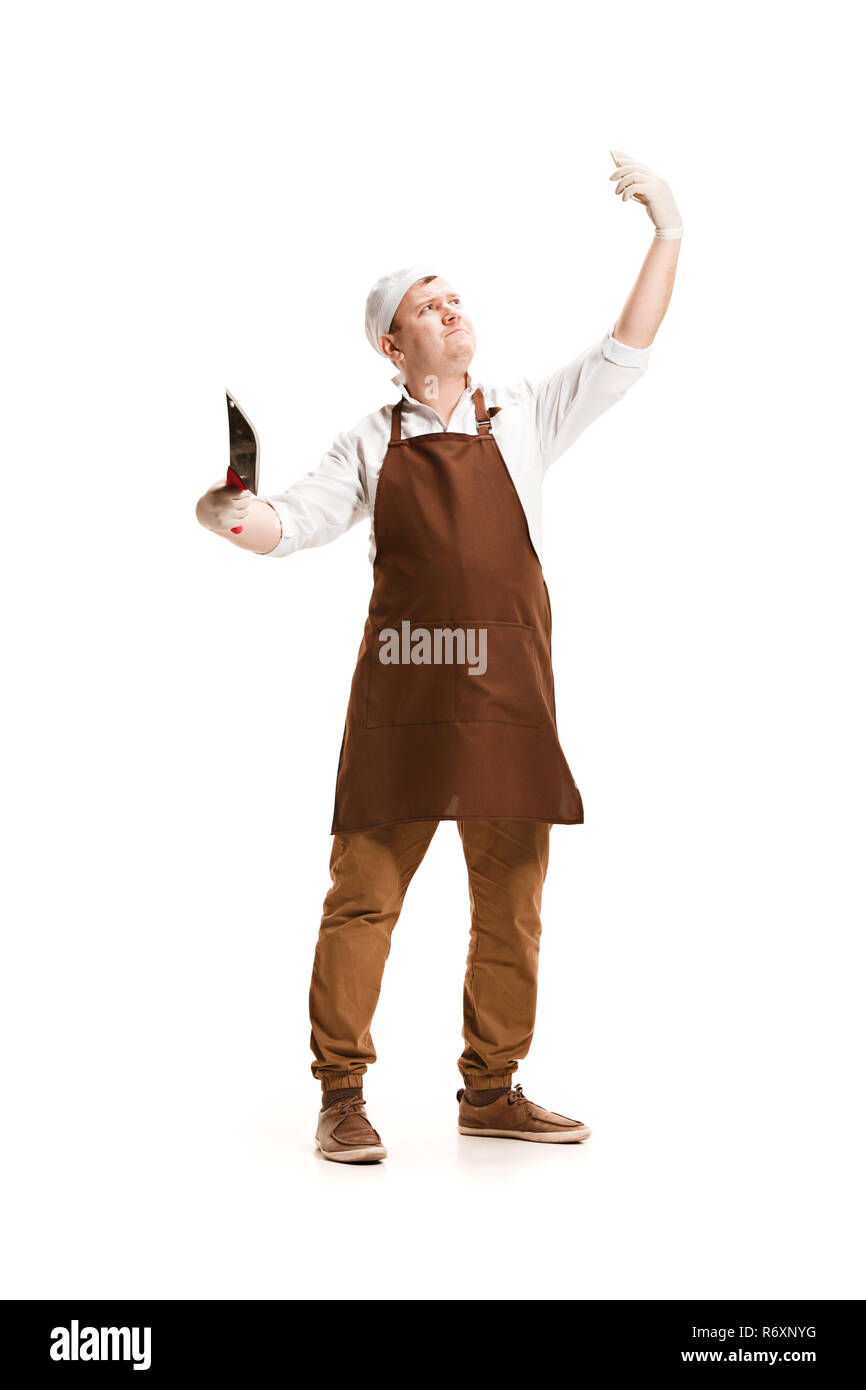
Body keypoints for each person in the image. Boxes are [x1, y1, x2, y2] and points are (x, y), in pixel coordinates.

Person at [196, 150, 682, 1164]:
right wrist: (229, 512)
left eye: (457, 295)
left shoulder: (527, 417)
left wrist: (666, 230)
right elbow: (285, 526)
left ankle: (491, 1088)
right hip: (405, 701)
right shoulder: (368, 444)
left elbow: (624, 353)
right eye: (429, 302)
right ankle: (340, 1093)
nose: (452, 308)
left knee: (510, 907)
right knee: (363, 895)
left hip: (508, 700)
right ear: (392, 340)